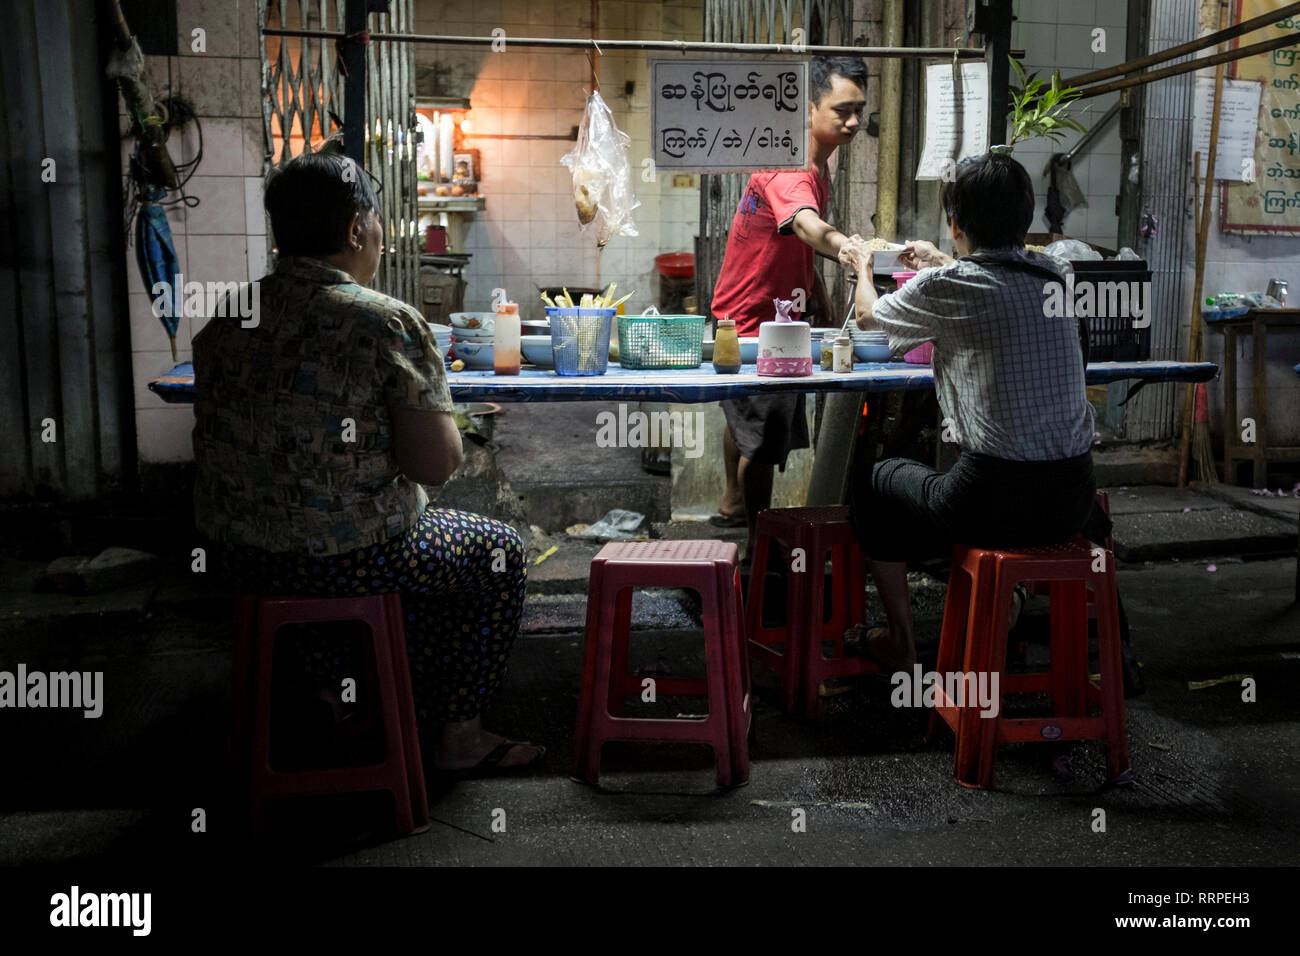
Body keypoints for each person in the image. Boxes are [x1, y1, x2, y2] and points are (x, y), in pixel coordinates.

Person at [193, 151, 544, 775]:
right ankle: (457, 736)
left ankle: (332, 697)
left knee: (379, 546)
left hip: (234, 553)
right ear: (357, 229)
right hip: (349, 558)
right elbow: (436, 465)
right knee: (495, 551)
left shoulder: (225, 317)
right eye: (376, 221)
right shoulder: (384, 322)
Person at [837, 150, 1110, 671]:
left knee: (874, 481)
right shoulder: (1057, 276)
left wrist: (863, 267)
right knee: (952, 483)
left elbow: (871, 319)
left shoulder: (951, 286)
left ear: (955, 224)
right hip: (1074, 497)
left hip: (991, 503)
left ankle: (900, 638)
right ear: (1025, 218)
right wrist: (943, 260)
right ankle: (1007, 596)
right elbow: (1000, 277)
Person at [708, 55, 868, 561]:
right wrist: (849, 249)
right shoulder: (791, 164)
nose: (854, 122)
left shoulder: (821, 160)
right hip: (755, 322)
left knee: (750, 423)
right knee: (763, 438)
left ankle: (734, 501)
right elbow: (803, 225)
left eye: (860, 110)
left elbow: (795, 243)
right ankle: (759, 548)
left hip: (770, 310)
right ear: (809, 106)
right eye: (842, 110)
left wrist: (817, 295)